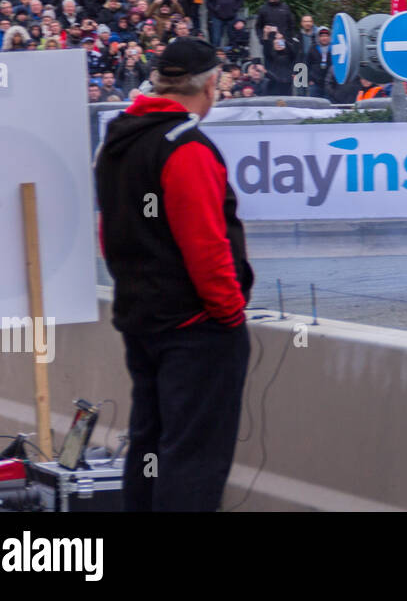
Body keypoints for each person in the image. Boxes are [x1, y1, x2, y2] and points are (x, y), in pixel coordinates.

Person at [93, 36, 253, 511]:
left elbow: (109, 232)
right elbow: (207, 248)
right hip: (195, 329)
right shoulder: (185, 148)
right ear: (208, 87)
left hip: (141, 317)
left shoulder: (119, 139)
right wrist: (229, 316)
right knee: (193, 458)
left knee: (149, 446)